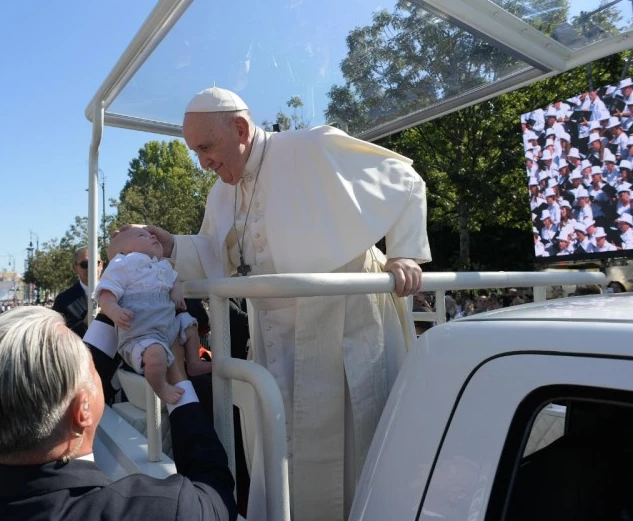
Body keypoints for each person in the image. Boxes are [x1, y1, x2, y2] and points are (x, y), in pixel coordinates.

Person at [140, 86, 430, 521]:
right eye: (195, 151)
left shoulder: (312, 147)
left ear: (239, 128)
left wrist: (403, 251)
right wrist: (173, 245)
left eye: (205, 147)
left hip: (344, 325)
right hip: (275, 340)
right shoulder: (221, 191)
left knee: (355, 452)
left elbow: (406, 181)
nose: (202, 162)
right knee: (284, 455)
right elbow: (216, 253)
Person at [0, 306, 236, 521]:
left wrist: (112, 310)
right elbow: (215, 491)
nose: (97, 372)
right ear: (82, 412)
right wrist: (178, 386)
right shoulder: (159, 510)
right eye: (92, 370)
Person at [94, 227, 210, 404]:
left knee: (189, 324)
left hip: (168, 321)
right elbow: (106, 294)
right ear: (123, 250)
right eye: (142, 235)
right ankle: (161, 387)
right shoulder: (122, 263)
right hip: (141, 330)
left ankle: (194, 362)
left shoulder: (162, 263)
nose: (152, 237)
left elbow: (175, 279)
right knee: (156, 357)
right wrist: (115, 311)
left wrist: (176, 292)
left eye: (151, 235)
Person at [53, 246, 102, 338]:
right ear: (75, 268)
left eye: (95, 263)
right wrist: (85, 323)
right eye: (85, 264)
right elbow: (56, 337)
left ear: (101, 265)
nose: (91, 268)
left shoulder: (117, 292)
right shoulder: (63, 300)